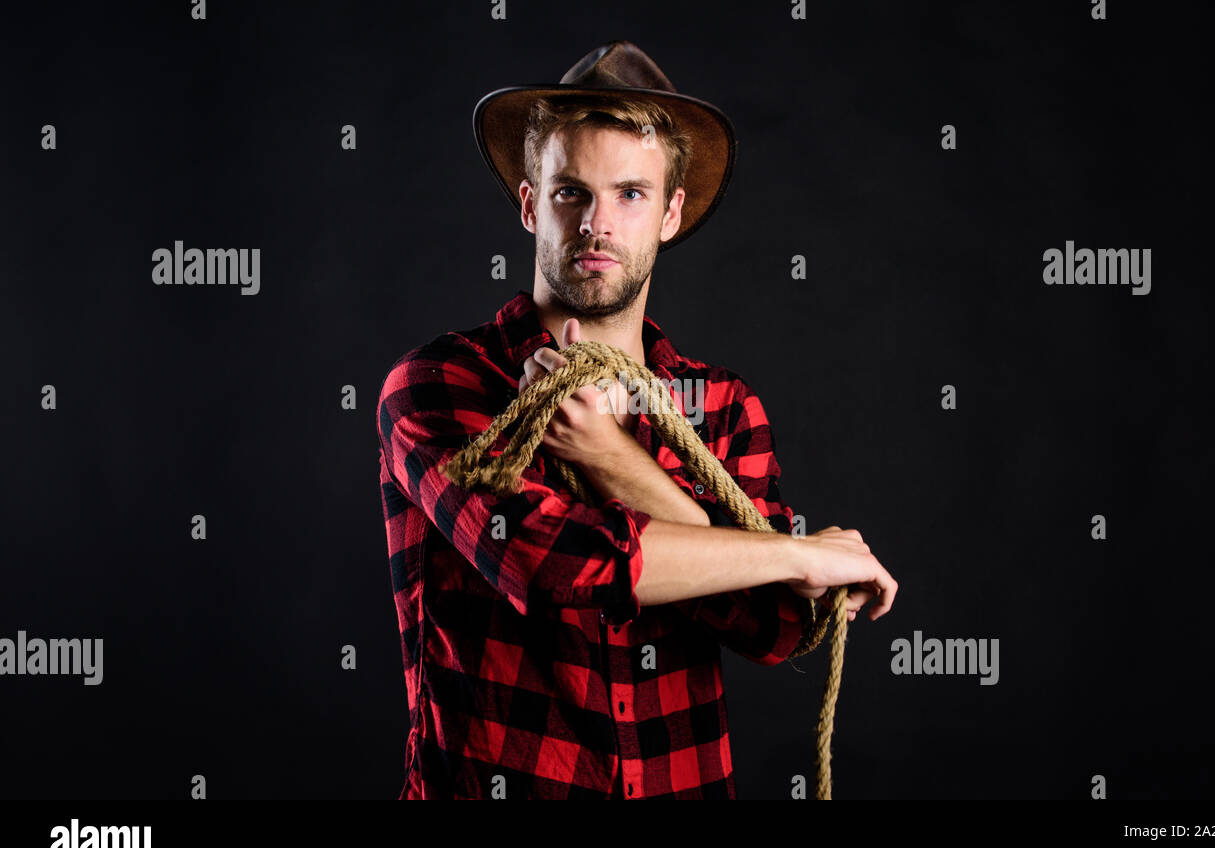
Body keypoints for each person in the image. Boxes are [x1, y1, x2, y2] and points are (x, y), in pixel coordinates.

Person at [376, 40, 898, 799]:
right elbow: (543, 564)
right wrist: (794, 555)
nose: (597, 223)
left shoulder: (721, 406)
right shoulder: (440, 384)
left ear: (670, 214)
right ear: (530, 204)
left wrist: (609, 456)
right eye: (571, 192)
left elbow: (776, 626)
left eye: (629, 193)